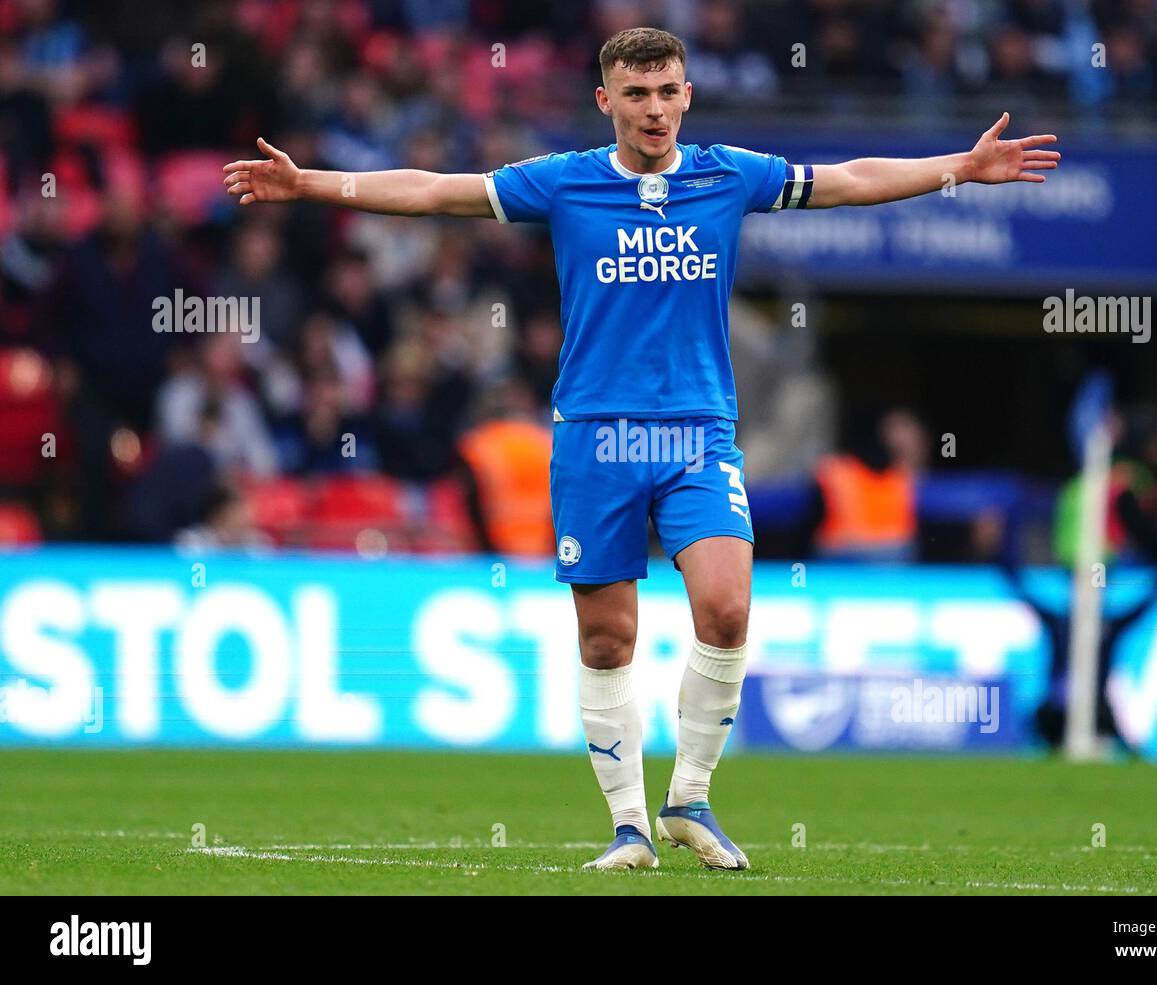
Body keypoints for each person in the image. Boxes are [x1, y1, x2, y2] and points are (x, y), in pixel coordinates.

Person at [222, 26, 1060, 871]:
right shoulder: (565, 181)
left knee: (726, 608)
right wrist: (311, 183)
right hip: (596, 436)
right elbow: (438, 192)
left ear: (687, 95)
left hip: (699, 435)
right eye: (636, 94)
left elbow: (847, 180)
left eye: (666, 93)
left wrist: (960, 167)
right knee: (606, 639)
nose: (654, 110)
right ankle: (629, 827)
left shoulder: (728, 175)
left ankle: (689, 797)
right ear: (606, 101)